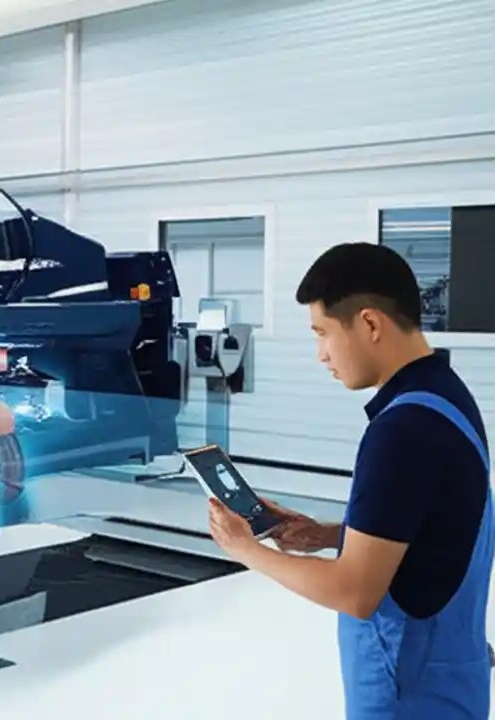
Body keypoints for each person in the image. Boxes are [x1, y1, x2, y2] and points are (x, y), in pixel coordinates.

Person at [206, 242, 493, 719]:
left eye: (322, 333)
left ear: (370, 324)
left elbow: (355, 593)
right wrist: (330, 535)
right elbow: (441, 528)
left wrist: (245, 549)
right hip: (453, 684)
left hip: (407, 696)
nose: (321, 355)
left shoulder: (400, 431)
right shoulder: (448, 398)